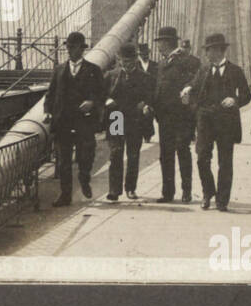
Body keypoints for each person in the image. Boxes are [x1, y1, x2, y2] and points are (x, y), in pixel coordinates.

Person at [182, 33, 251, 211]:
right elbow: (194, 84)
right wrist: (188, 88)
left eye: (209, 50)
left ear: (219, 50)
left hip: (226, 123)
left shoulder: (235, 71)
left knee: (225, 162)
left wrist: (234, 100)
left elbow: (247, 95)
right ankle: (208, 191)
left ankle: (222, 200)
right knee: (202, 158)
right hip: (205, 121)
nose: (206, 54)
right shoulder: (204, 70)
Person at [42, 31, 104, 206]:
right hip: (63, 121)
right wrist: (47, 111)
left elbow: (102, 93)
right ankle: (65, 195)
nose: (69, 50)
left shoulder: (94, 70)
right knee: (63, 160)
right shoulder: (59, 70)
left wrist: (92, 102)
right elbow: (50, 94)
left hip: (85, 121)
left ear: (81, 49)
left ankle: (84, 178)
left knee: (86, 156)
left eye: (73, 47)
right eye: (68, 47)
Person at [152, 26, 202, 204]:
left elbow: (196, 82)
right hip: (164, 117)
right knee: (165, 154)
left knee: (182, 151)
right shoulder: (162, 63)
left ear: (166, 43)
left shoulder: (188, 61)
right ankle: (168, 193)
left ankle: (186, 192)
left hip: (182, 116)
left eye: (159, 42)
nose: (158, 46)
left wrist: (189, 94)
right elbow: (158, 88)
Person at [103, 42, 154, 201]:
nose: (127, 64)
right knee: (115, 153)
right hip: (116, 118)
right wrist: (107, 101)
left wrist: (146, 105)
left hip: (134, 119)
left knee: (133, 155)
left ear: (135, 59)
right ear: (119, 59)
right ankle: (114, 190)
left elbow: (150, 97)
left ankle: (131, 188)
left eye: (130, 60)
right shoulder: (111, 76)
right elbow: (100, 94)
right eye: (124, 61)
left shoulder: (145, 78)